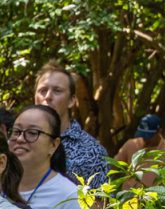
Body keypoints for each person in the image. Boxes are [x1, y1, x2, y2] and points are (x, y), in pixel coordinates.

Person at [33, 64, 112, 192]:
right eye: (43, 91)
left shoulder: (92, 152)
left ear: (72, 101)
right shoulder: (19, 143)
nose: (48, 96)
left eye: (57, 90)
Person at [115, 113, 165, 189]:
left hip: (154, 198)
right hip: (128, 198)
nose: (145, 139)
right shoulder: (131, 144)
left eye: (149, 136)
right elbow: (113, 165)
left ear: (159, 131)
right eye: (143, 135)